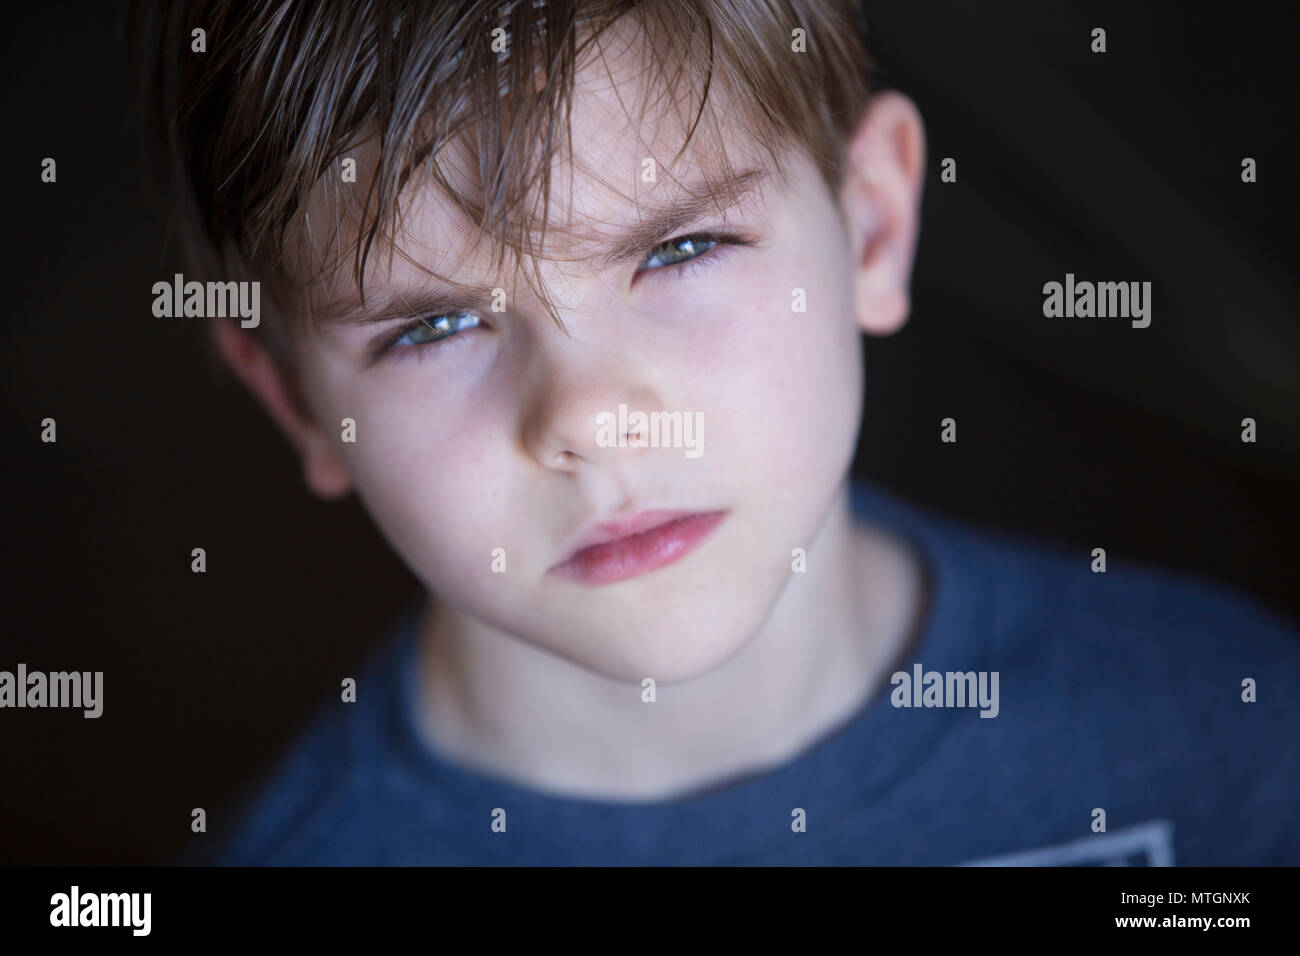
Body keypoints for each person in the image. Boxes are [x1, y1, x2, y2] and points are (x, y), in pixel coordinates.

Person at [134, 0, 1300, 865]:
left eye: (677, 250)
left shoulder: (1224, 723)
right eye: (434, 326)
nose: (587, 414)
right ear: (295, 401)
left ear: (873, 226)